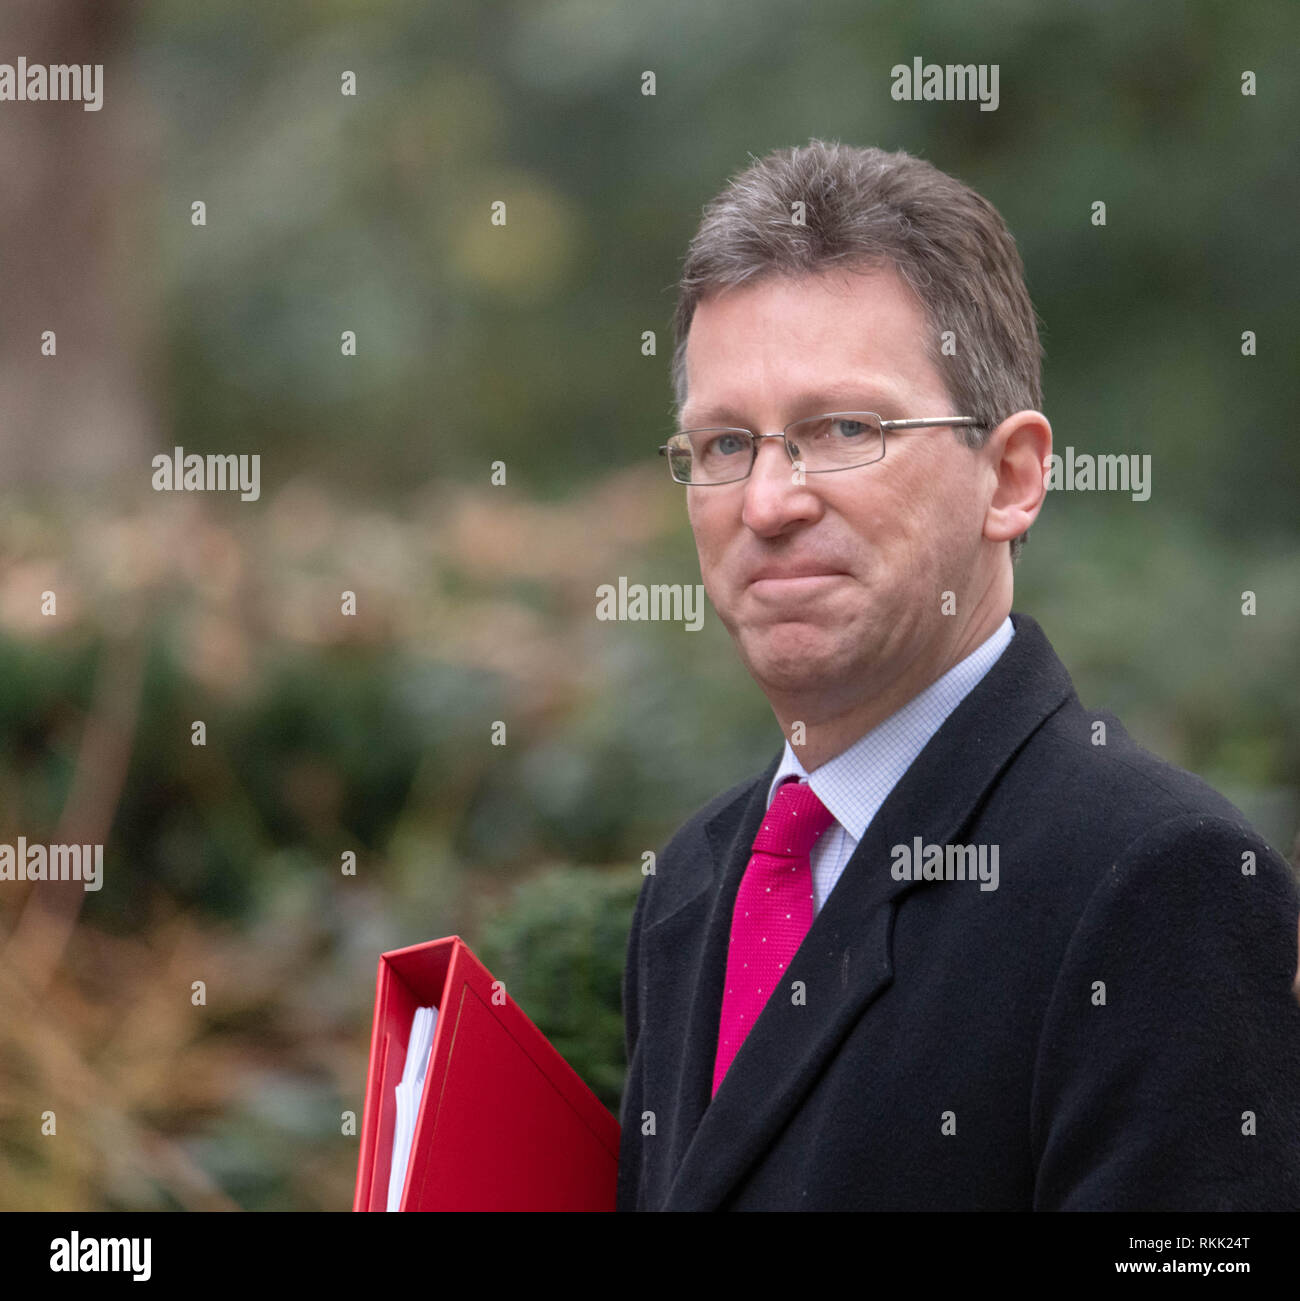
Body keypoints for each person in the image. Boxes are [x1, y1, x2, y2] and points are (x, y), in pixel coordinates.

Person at [616, 139, 1300, 1211]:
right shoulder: (693, 880)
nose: (767, 501)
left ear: (1012, 476)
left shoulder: (1158, 883)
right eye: (723, 444)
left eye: (841, 428)